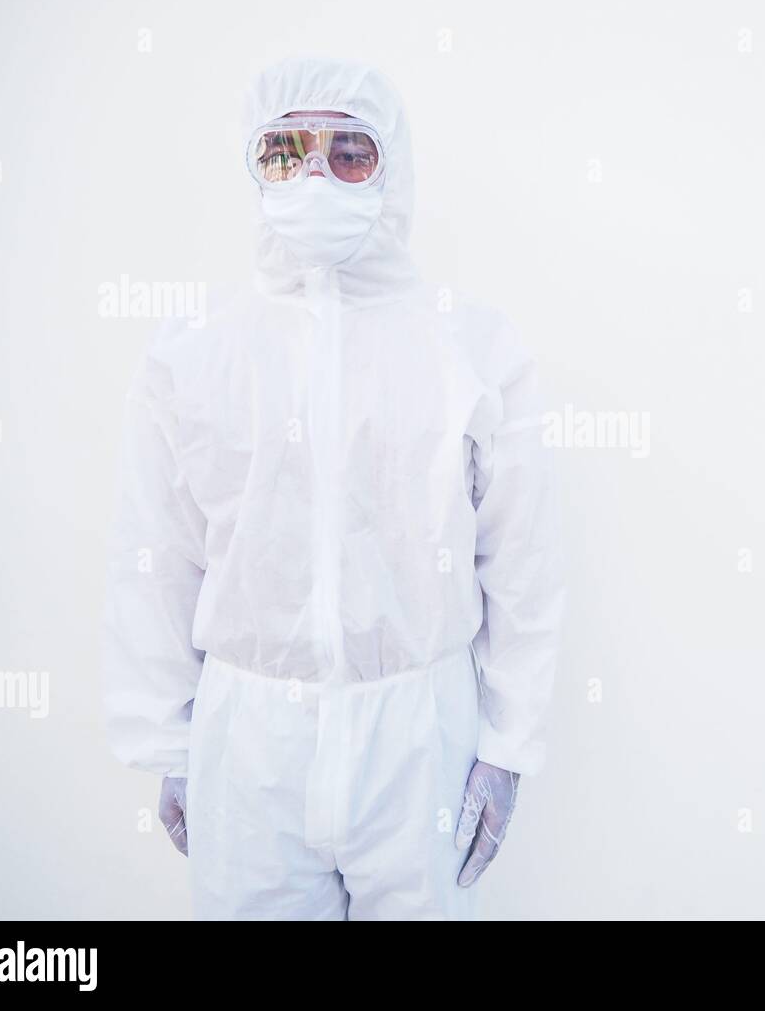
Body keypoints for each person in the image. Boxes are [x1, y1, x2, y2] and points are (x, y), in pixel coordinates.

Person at [102, 58, 563, 920]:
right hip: (248, 744)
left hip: (420, 738)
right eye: (286, 152)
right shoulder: (195, 353)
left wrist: (507, 741)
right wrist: (167, 738)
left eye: (350, 152)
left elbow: (523, 558)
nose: (315, 174)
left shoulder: (469, 347)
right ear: (254, 165)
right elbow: (155, 556)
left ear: (394, 170)